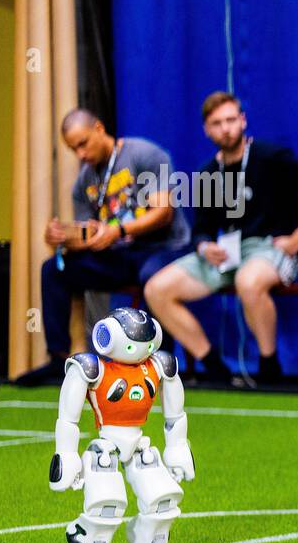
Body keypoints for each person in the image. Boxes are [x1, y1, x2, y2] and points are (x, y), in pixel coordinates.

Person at [144, 92, 298, 385]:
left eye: (231, 120)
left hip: (270, 249)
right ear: (206, 130)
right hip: (228, 253)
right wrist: (204, 245)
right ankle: (215, 368)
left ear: (243, 121)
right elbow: (203, 227)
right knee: (156, 289)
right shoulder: (208, 173)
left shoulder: (273, 158)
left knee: (248, 282)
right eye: (217, 123)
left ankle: (269, 368)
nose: (226, 128)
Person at [16, 110, 190, 386]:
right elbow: (91, 235)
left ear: (99, 128)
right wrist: (65, 237)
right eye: (74, 149)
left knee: (151, 276)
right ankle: (58, 360)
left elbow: (163, 213)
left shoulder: (146, 154)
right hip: (119, 255)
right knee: (54, 270)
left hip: (163, 248)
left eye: (83, 143)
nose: (81, 154)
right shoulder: (84, 182)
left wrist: (117, 230)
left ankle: (157, 362)